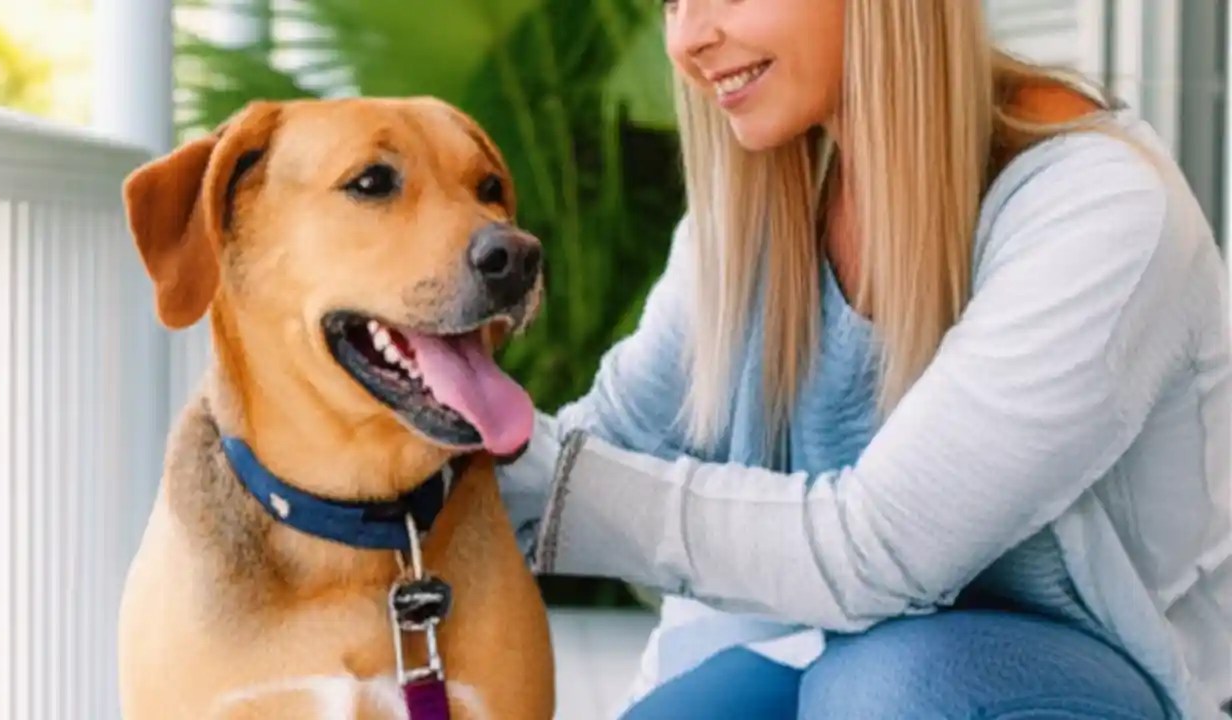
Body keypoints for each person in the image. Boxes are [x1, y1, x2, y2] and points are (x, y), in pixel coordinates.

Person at [498, 1, 1231, 718]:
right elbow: (614, 437)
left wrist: (551, 490)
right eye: (671, 3)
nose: (687, 39)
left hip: (1091, 676)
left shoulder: (1099, 209)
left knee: (890, 690)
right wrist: (424, 469)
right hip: (840, 653)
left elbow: (881, 548)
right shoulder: (763, 202)